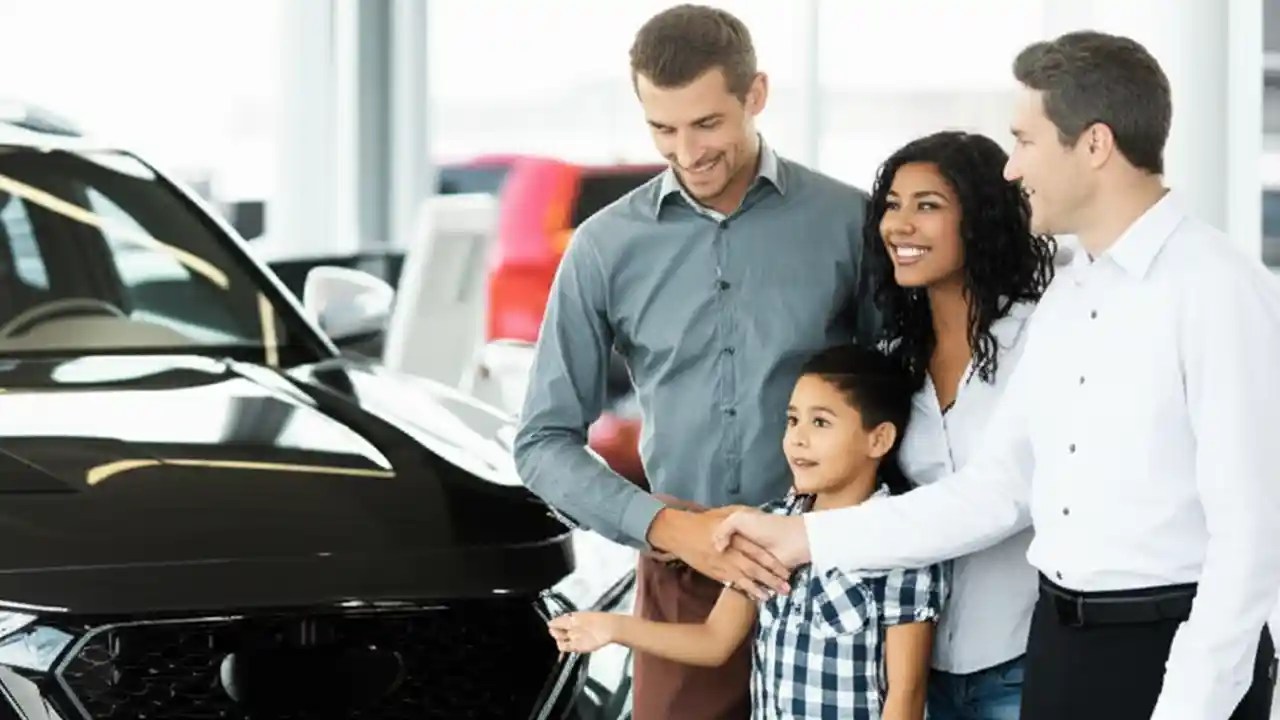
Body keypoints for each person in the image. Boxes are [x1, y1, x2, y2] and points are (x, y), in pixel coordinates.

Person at [712, 30, 1280, 720]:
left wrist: (1192, 707)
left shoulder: (1219, 289)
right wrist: (805, 538)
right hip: (1061, 645)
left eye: (1026, 141)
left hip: (1171, 652)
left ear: (1094, 145)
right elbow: (997, 490)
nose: (1011, 170)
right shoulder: (1070, 297)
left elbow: (1253, 537)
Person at [512, 5, 874, 718]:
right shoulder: (604, 247)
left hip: (830, 576)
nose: (686, 151)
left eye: (707, 124)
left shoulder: (850, 224)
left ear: (756, 95)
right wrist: (668, 529)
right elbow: (542, 442)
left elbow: (902, 407)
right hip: (682, 577)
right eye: (663, 129)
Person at [548, 345, 945, 720]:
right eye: (793, 419)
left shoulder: (900, 543)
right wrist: (610, 628)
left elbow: (906, 695)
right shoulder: (767, 526)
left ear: (879, 439)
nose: (798, 438)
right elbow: (714, 641)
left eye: (820, 421)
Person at [859, 130, 1056, 718]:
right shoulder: (894, 360)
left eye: (928, 206)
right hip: (914, 670)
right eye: (892, 205)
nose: (899, 225)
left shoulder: (1043, 338)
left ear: (982, 220)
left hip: (1023, 657)